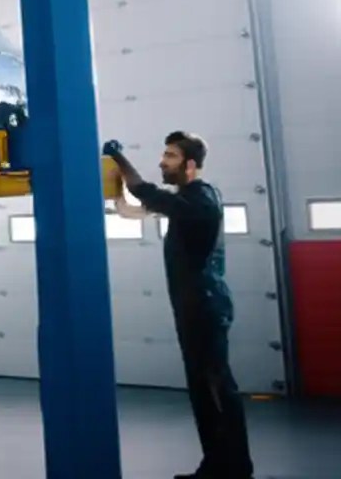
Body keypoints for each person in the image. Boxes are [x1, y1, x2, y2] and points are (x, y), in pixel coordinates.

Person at [103, 131, 254, 479]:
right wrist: (116, 199)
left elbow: (145, 192)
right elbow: (138, 209)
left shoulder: (199, 201)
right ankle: (216, 465)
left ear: (189, 164)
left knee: (217, 388)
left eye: (169, 156)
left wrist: (120, 159)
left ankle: (236, 469)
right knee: (202, 389)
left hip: (205, 305)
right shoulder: (190, 200)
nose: (162, 161)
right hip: (194, 306)